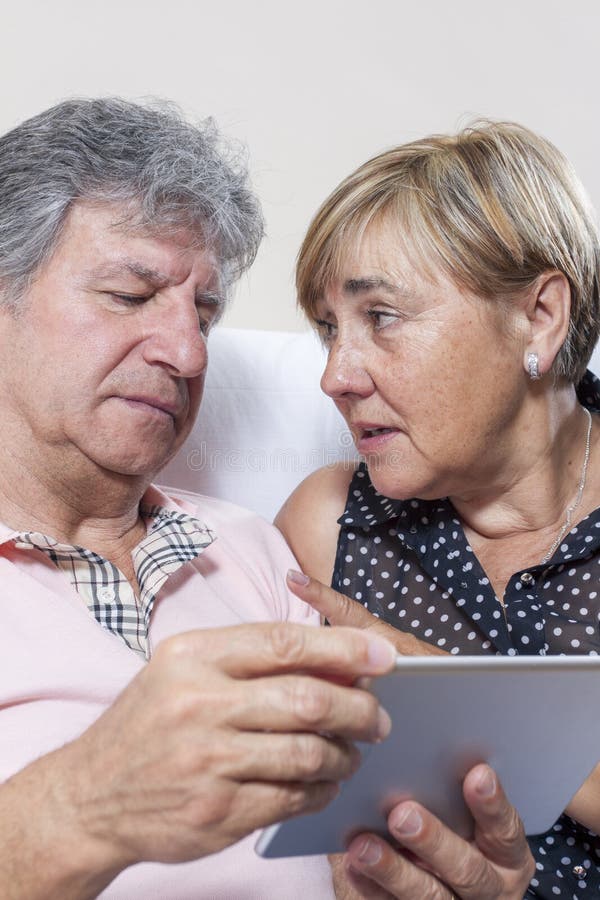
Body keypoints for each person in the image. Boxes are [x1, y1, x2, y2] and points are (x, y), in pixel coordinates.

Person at [0, 97, 404, 899]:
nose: (188, 353)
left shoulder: (252, 549)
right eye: (130, 294)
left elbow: (338, 848)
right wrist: (89, 804)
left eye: (205, 315)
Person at [277, 121, 600, 898]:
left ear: (539, 316)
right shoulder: (328, 525)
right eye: (329, 328)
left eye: (381, 317)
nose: (335, 376)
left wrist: (453, 696)